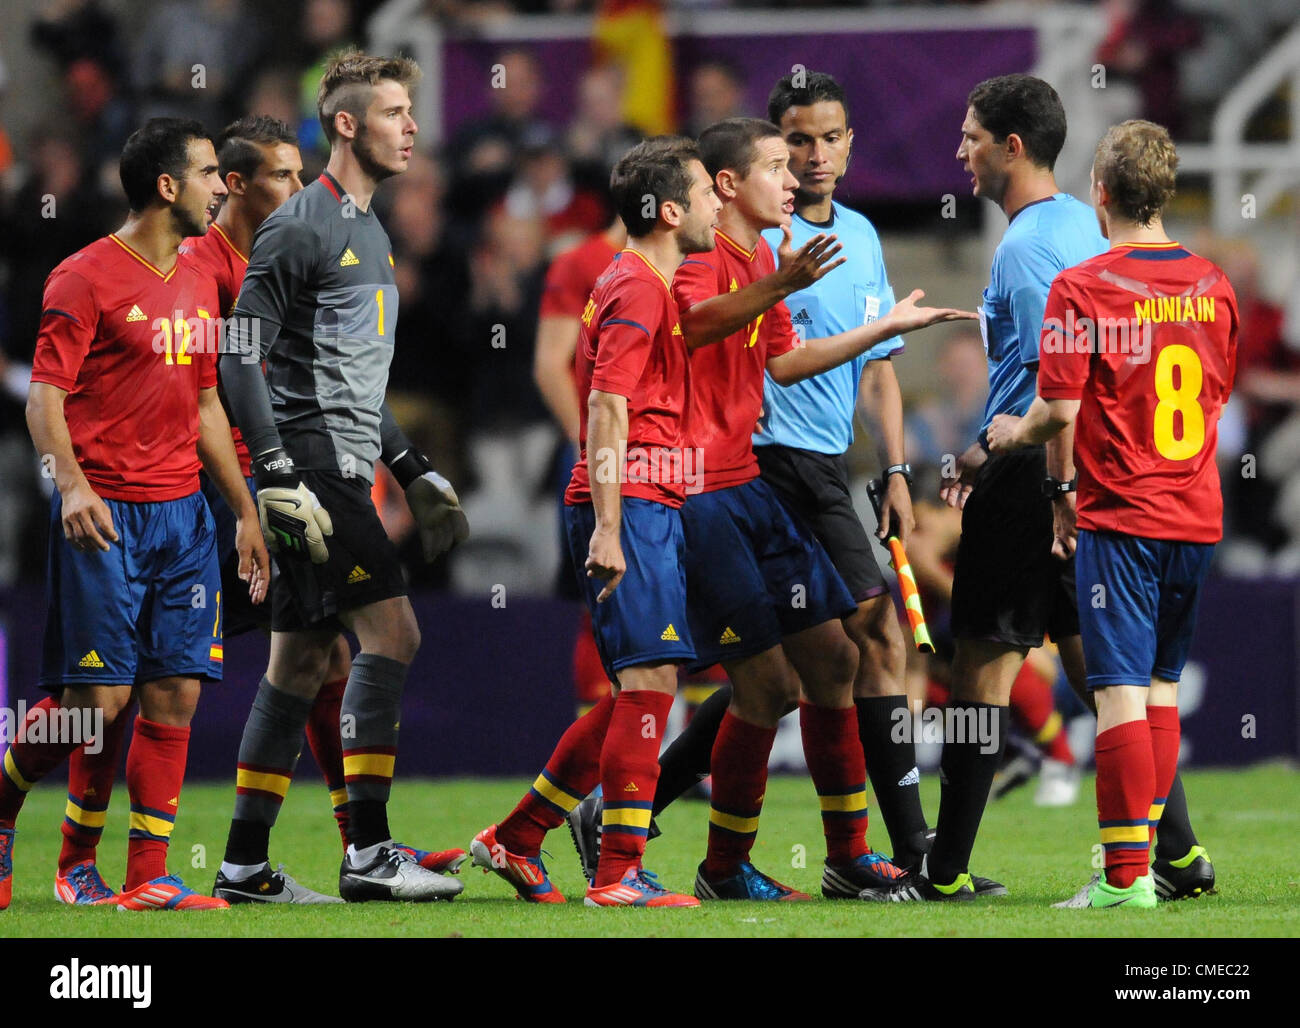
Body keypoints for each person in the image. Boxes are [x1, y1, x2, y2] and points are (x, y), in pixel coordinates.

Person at [861, 75, 1211, 904]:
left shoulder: (1025, 249)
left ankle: (941, 871)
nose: (959, 151)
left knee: (980, 665)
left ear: (1012, 148)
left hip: (1037, 472)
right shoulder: (1092, 232)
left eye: (971, 136)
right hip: (1110, 471)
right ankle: (1183, 854)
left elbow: (1055, 385)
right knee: (1102, 671)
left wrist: (989, 455)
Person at [668, 117, 974, 902]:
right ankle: (589, 826)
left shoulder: (787, 254)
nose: (800, 172)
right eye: (782, 156)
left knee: (802, 667)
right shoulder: (705, 262)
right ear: (732, 181)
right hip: (716, 485)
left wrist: (882, 332)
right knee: (689, 673)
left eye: (826, 141)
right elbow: (694, 329)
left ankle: (830, 854)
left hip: (785, 476)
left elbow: (789, 360)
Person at [215, 52, 469, 904]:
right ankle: (369, 854)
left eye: (413, 110)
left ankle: (244, 865)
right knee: (393, 637)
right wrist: (275, 472)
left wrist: (413, 468)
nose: (414, 127)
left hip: (348, 464)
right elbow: (238, 349)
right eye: (397, 111)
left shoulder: (372, 232)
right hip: (312, 466)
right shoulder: (301, 223)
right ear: (350, 125)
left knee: (298, 665)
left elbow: (357, 377)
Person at [0, 117, 270, 912]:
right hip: (105, 513)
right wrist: (72, 484)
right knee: (95, 704)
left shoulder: (201, 277)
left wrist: (243, 511)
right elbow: (44, 401)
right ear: (166, 186)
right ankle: (5, 807)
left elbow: (209, 402)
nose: (224, 184)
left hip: (183, 516)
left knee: (175, 692)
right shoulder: (83, 277)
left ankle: (148, 875)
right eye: (210, 172)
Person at [986, 119, 1236, 908]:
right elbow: (1215, 397)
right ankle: (1149, 867)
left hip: (1123, 515)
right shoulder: (1215, 284)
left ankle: (1124, 880)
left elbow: (1056, 409)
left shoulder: (1083, 287)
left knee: (1120, 693)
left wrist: (1007, 432)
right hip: (1194, 515)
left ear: (1100, 194)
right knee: (1161, 690)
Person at [470, 136, 720, 908]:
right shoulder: (641, 285)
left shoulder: (641, 278)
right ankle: (618, 874)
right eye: (709, 189)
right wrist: (610, 525)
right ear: (672, 210)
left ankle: (517, 837)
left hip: (648, 500)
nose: (719, 201)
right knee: (649, 682)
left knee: (638, 686)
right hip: (627, 503)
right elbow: (606, 406)